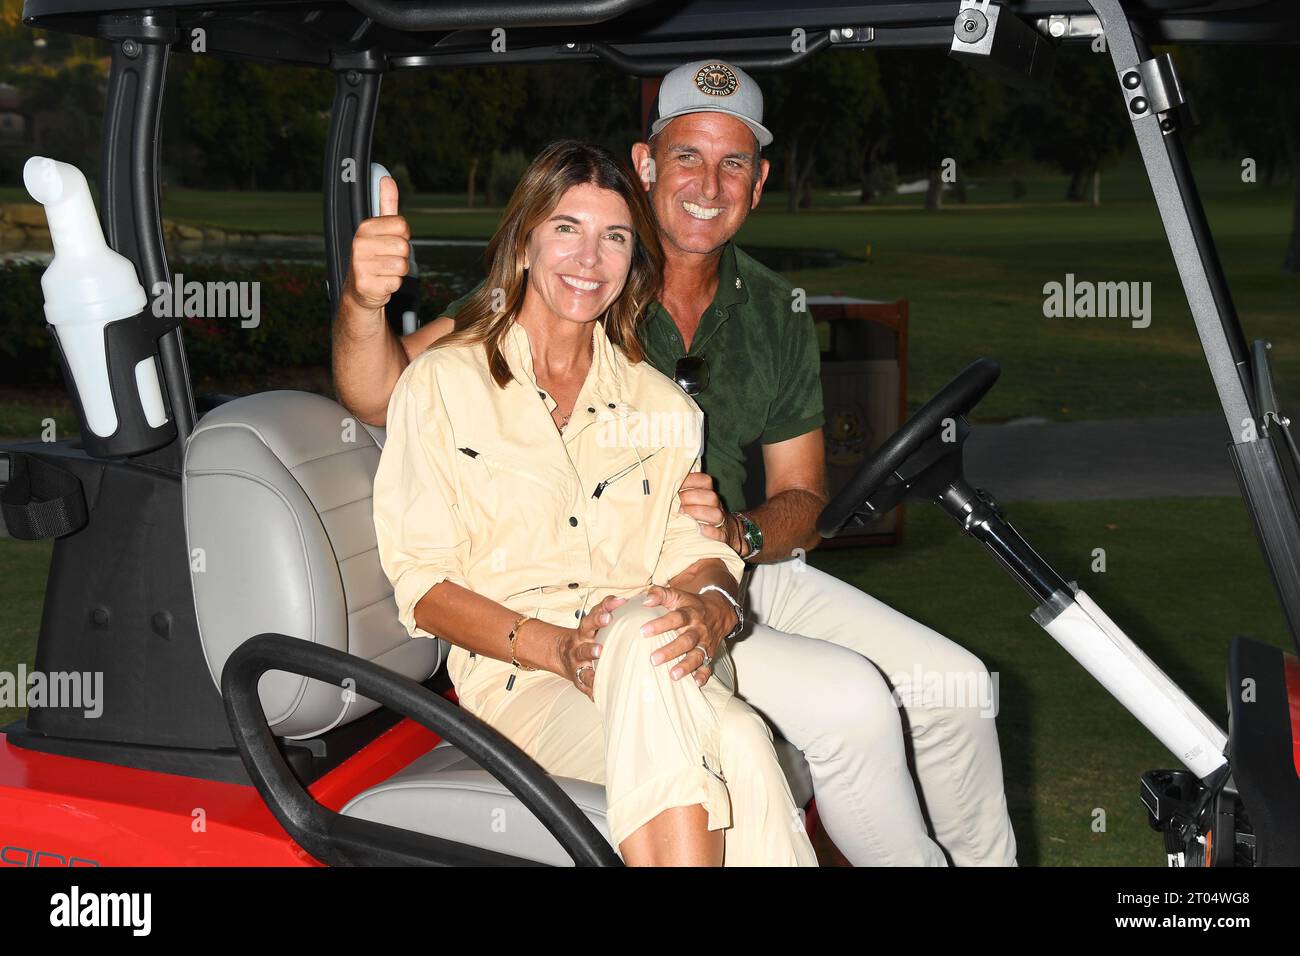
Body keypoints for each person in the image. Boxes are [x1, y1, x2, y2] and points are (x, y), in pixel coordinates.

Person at [339, 60, 1017, 866]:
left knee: (961, 688)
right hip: (606, 607)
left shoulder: (757, 321)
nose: (709, 182)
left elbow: (802, 500)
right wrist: (363, 301)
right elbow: (384, 391)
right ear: (646, 165)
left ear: (759, 183)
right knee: (825, 710)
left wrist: (729, 554)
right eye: (686, 155)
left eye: (733, 162)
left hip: (723, 563)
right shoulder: (524, 322)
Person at [370, 139, 817, 866]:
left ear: (632, 262)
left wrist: (713, 605)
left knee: (689, 685)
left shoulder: (661, 402)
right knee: (730, 735)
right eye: (566, 230)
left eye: (614, 238)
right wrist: (562, 649)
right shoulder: (443, 385)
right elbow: (421, 585)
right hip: (524, 686)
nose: (590, 259)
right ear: (523, 245)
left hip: (659, 664)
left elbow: (696, 552)